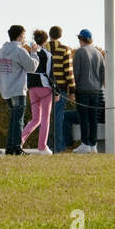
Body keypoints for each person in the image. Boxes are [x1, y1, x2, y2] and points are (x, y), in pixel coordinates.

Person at [0, 25, 38, 156]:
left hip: (6, 89)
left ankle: (10, 147)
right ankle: (17, 147)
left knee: (13, 118)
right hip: (18, 89)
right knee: (18, 119)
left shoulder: (1, 51)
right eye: (24, 35)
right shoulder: (20, 51)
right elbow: (32, 67)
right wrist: (34, 53)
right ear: (19, 36)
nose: (25, 38)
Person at [20, 29, 54, 154]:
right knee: (45, 118)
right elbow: (51, 73)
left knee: (35, 119)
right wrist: (56, 91)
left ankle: (20, 140)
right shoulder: (48, 55)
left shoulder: (30, 53)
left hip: (32, 87)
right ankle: (42, 146)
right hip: (45, 87)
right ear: (46, 41)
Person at [72, 28, 104, 153]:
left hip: (83, 89)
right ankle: (93, 145)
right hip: (96, 90)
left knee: (83, 118)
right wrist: (99, 85)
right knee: (93, 119)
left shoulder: (79, 52)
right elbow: (103, 71)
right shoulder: (98, 53)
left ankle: (85, 143)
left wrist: (73, 89)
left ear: (81, 39)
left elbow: (76, 72)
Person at [46, 26, 76, 154]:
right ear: (60, 35)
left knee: (45, 117)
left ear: (49, 35)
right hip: (61, 87)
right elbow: (68, 71)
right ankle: (58, 146)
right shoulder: (65, 49)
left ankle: (45, 144)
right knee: (59, 117)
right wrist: (72, 90)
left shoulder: (42, 48)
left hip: (45, 87)